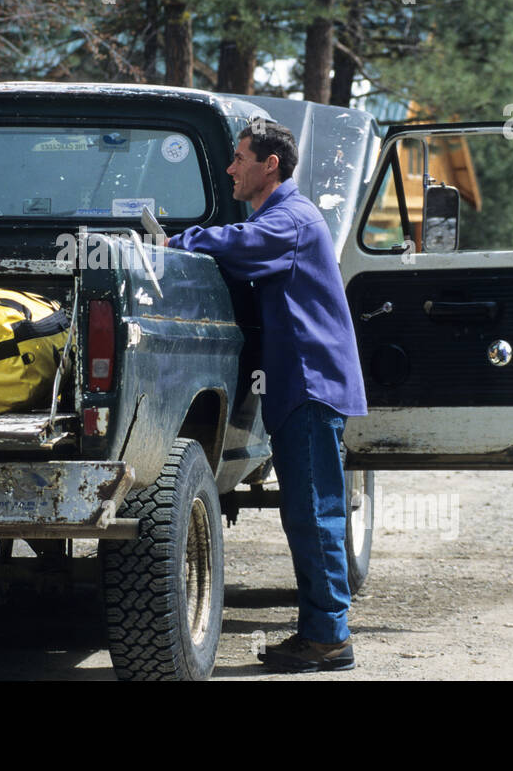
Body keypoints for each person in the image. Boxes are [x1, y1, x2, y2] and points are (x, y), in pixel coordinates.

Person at [169, 120, 368, 673]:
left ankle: (328, 638)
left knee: (314, 514)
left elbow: (242, 244)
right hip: (304, 386)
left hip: (308, 386)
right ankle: (324, 633)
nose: (231, 168)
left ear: (270, 164)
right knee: (310, 511)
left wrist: (172, 241)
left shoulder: (291, 219)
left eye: (239, 158)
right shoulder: (286, 216)